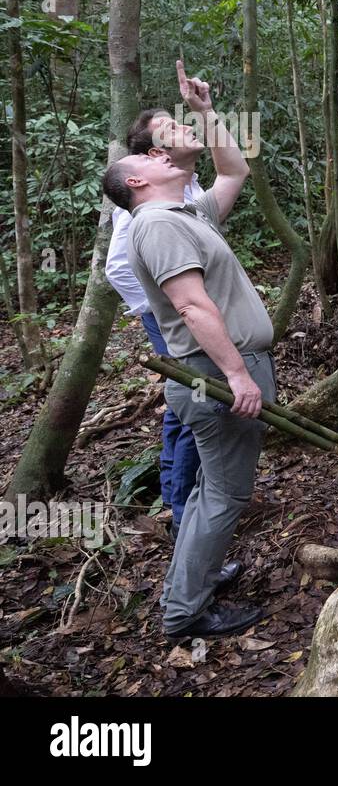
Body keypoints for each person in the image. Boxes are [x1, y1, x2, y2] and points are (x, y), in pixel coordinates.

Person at [100, 60, 273, 640]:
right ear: (140, 181)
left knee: (211, 490)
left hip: (224, 372)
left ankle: (186, 589)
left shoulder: (182, 213)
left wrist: (204, 112)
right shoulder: (156, 225)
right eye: (149, 156)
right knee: (226, 494)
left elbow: (234, 171)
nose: (161, 154)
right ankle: (184, 612)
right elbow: (194, 308)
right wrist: (238, 375)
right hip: (216, 376)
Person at [106, 108, 204, 535]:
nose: (183, 126)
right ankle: (183, 516)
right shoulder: (138, 209)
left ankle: (182, 496)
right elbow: (118, 268)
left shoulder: (188, 184)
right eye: (169, 127)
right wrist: (162, 307)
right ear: (155, 153)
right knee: (190, 406)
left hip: (188, 315)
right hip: (171, 319)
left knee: (190, 403)